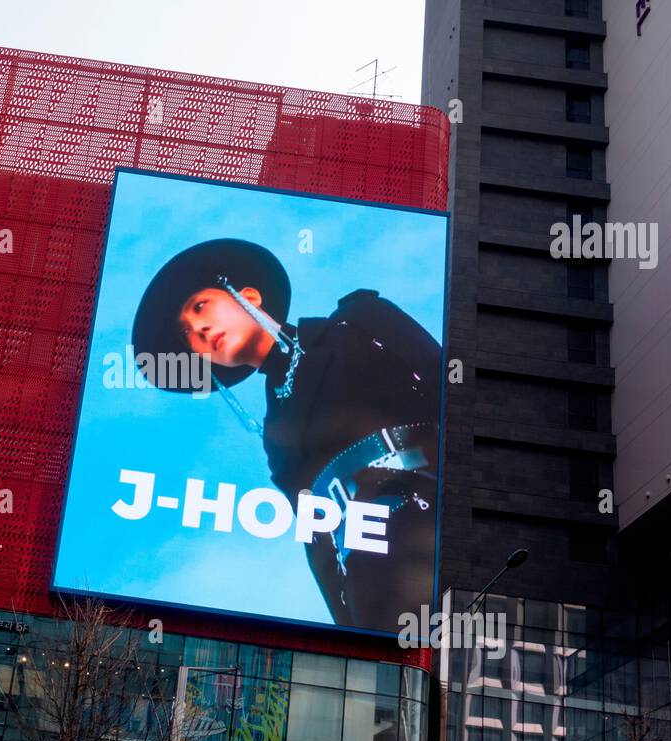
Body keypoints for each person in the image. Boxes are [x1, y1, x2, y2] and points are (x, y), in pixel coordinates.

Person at [132, 238, 441, 631]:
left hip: (433, 526)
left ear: (248, 295)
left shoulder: (359, 320)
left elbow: (450, 391)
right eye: (187, 334)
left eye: (200, 307)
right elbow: (317, 542)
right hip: (371, 577)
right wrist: (349, 628)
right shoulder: (274, 438)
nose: (200, 329)